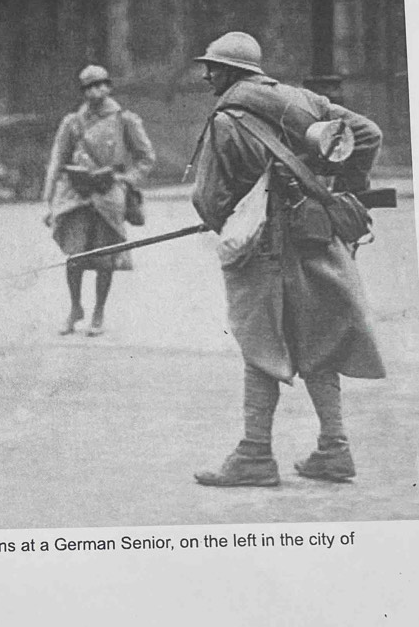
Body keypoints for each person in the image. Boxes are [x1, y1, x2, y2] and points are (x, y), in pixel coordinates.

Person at [189, 31, 385, 487]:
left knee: (260, 341)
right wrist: (343, 188)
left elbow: (209, 198)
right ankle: (334, 451)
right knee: (318, 337)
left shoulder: (227, 119)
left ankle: (255, 455)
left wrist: (231, 219)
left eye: (213, 67)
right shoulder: (304, 100)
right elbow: (368, 135)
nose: (206, 75)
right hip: (317, 234)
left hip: (263, 247)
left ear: (234, 72)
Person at [42, 64, 155, 336]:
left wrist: (126, 180)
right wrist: (49, 202)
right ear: (83, 91)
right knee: (74, 255)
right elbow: (57, 161)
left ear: (109, 86)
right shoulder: (72, 122)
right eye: (89, 87)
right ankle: (75, 308)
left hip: (108, 193)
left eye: (100, 85)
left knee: (105, 258)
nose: (95, 91)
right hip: (76, 192)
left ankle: (98, 313)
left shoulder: (124, 120)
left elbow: (146, 158)